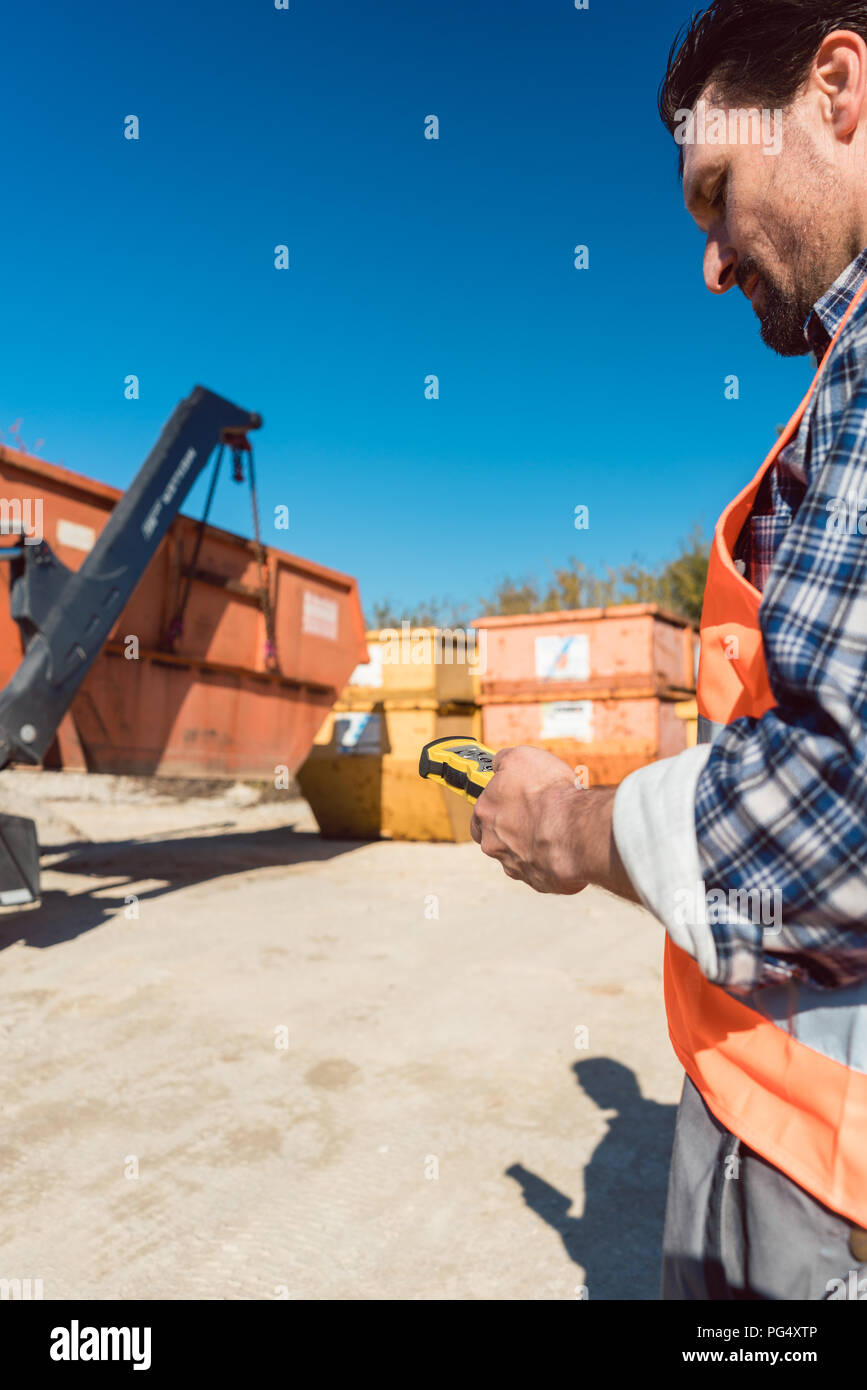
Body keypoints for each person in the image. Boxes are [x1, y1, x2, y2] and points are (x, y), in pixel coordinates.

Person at [470, 0, 867, 1301]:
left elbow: (839, 798)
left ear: (837, 91)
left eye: (717, 191)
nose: (707, 259)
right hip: (767, 1109)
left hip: (812, 1162)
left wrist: (575, 828)